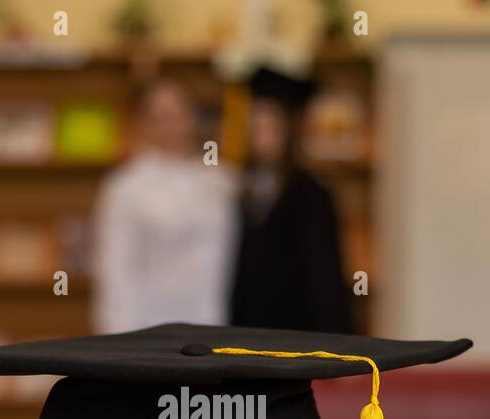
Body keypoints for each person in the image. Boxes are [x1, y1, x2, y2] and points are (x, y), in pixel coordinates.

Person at [92, 80, 236, 334]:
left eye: (178, 113)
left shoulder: (221, 179)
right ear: (143, 123)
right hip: (153, 328)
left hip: (217, 324)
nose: (171, 125)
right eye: (159, 116)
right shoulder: (126, 187)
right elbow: (115, 269)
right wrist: (119, 337)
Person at [230, 67, 354, 333]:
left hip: (297, 335)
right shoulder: (236, 190)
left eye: (269, 127)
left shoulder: (311, 195)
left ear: (287, 131)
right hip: (243, 334)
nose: (260, 138)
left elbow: (326, 281)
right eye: (254, 127)